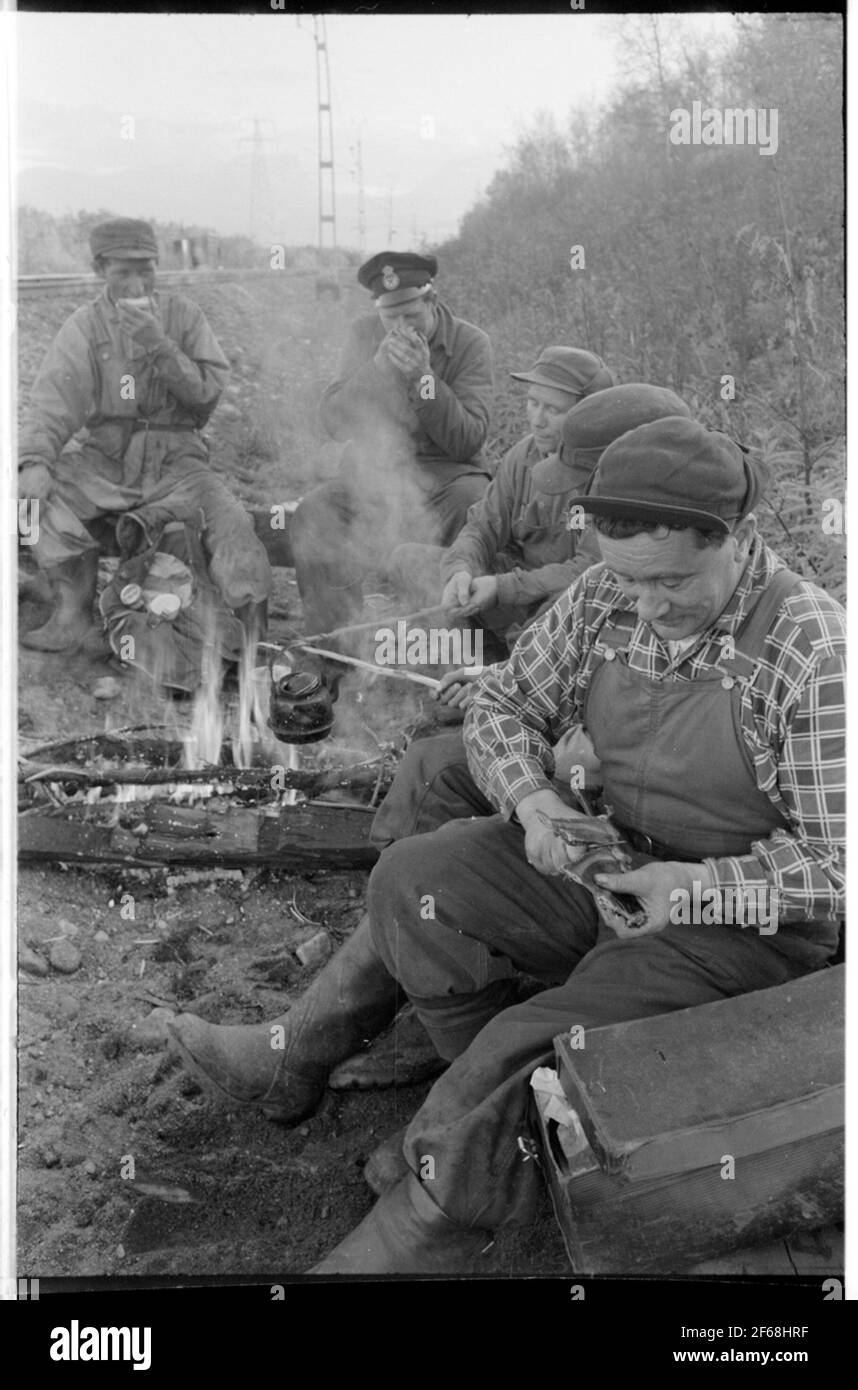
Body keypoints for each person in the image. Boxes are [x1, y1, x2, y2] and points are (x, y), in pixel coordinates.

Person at [168, 416, 844, 1274]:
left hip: (732, 933)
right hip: (608, 863)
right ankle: (418, 1121)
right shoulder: (607, 593)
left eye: (674, 582)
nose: (649, 607)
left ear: (739, 540)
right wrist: (534, 805)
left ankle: (445, 1200)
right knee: (417, 877)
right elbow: (503, 704)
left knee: (524, 1046)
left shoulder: (809, 647)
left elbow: (838, 869)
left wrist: (690, 886)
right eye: (631, 581)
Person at [18, 217, 271, 656]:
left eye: (146, 270)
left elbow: (205, 397)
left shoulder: (183, 316)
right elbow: (51, 403)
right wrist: (35, 461)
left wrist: (159, 345)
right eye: (123, 272)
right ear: (100, 270)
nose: (137, 283)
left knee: (232, 525)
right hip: (104, 464)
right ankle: (73, 615)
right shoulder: (85, 326)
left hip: (179, 466)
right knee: (28, 501)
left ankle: (248, 641)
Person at [289, 252, 494, 634]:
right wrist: (377, 371)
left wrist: (424, 379)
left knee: (474, 506)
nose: (400, 327)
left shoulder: (470, 343)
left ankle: (456, 638)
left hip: (446, 477)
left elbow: (467, 439)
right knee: (314, 513)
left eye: (411, 316)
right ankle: (337, 642)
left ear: (432, 302)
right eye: (390, 317)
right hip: (371, 475)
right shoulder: (362, 335)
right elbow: (333, 423)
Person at [386, 344, 616, 619]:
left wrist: (503, 588)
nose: (537, 421)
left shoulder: (606, 474)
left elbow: (591, 570)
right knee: (408, 560)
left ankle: (514, 651)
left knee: (562, 608)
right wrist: (461, 569)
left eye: (554, 410)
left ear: (586, 416)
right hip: (515, 582)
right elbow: (482, 528)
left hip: (560, 597)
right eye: (533, 403)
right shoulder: (523, 455)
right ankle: (477, 649)